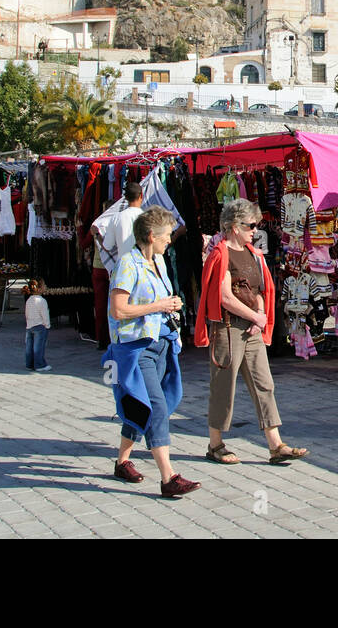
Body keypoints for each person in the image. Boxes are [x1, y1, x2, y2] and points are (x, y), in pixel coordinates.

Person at [196, 198, 309, 466]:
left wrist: (259, 316)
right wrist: (255, 316)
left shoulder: (252, 253)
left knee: (263, 384)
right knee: (223, 386)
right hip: (227, 327)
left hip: (250, 329)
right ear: (234, 226)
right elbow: (224, 296)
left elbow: (259, 290)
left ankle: (275, 444)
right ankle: (215, 444)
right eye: (250, 225)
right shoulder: (220, 253)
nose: (254, 230)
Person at [105, 208, 200, 498]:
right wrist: (158, 306)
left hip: (161, 343)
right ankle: (168, 477)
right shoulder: (128, 264)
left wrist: (171, 306)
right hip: (136, 348)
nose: (170, 240)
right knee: (156, 405)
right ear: (151, 236)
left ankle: (122, 461)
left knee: (141, 404)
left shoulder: (157, 260)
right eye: (166, 235)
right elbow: (118, 310)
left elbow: (159, 301)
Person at [108, 183, 145, 267]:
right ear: (141, 195)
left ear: (126, 198)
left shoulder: (116, 218)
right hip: (142, 267)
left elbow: (108, 246)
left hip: (123, 268)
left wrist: (97, 234)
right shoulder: (147, 218)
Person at [24, 277, 51, 372]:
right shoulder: (42, 301)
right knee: (39, 347)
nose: (46, 286)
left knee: (29, 347)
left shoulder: (28, 300)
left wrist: (28, 324)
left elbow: (26, 314)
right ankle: (40, 364)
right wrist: (47, 326)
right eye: (44, 285)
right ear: (39, 289)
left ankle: (29, 363)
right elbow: (45, 315)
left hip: (29, 326)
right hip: (40, 326)